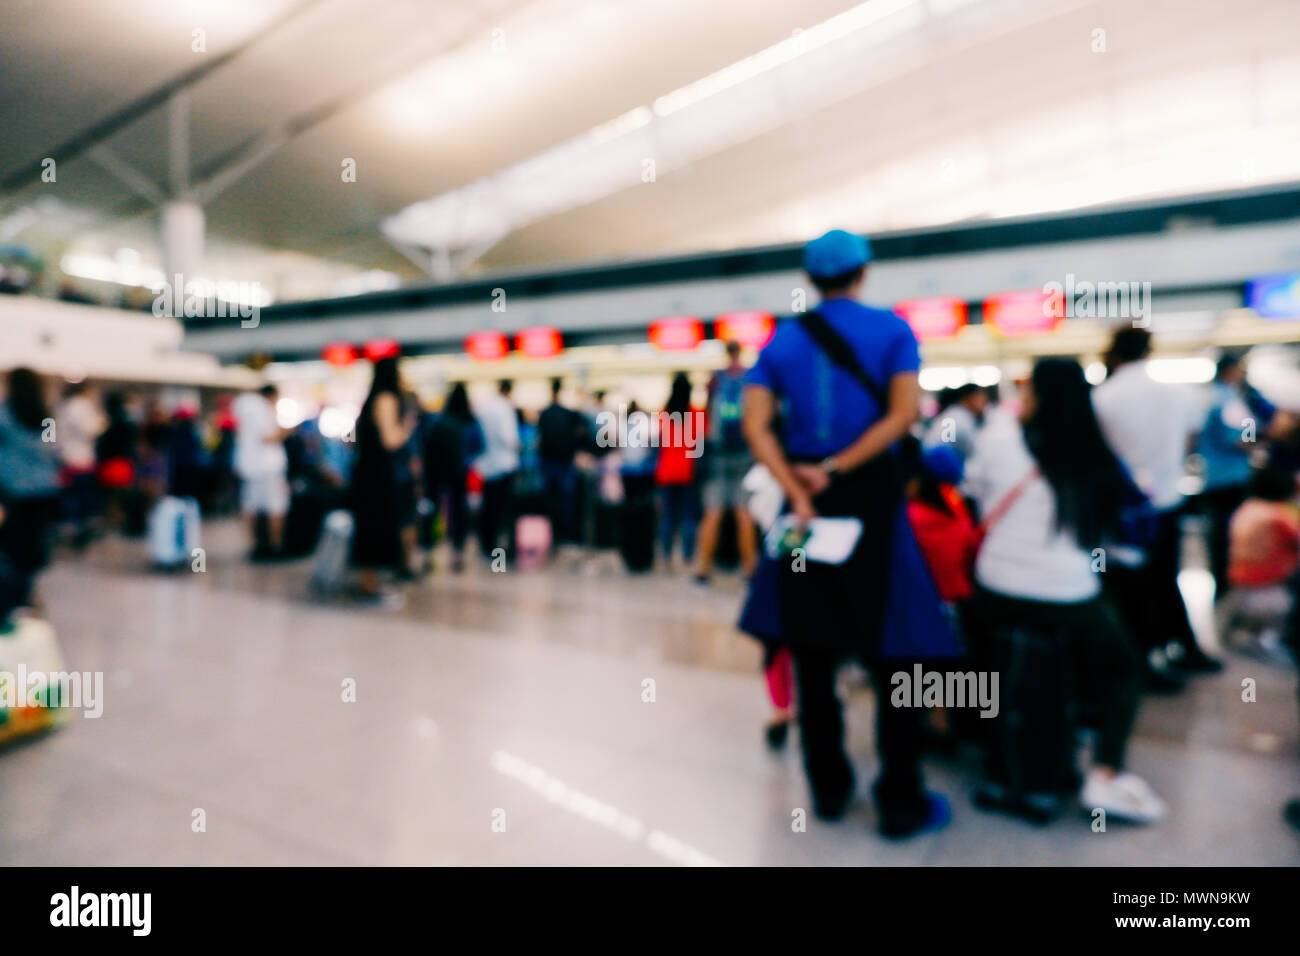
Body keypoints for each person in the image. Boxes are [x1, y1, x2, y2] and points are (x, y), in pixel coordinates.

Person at [742, 228, 949, 838]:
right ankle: (899, 799)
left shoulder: (781, 341)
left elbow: (755, 426)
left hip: (804, 507)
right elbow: (904, 414)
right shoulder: (893, 331)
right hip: (872, 503)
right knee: (898, 654)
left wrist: (799, 484)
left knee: (811, 650)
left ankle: (828, 791)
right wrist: (837, 468)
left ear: (811, 279)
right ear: (863, 271)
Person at [965, 358, 1165, 823]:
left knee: (999, 667)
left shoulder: (998, 439)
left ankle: (1001, 761)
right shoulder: (1095, 451)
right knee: (1123, 667)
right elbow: (1128, 529)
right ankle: (1105, 770)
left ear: (1034, 394)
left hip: (994, 590)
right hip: (1067, 595)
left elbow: (974, 495)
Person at [1093, 327, 1218, 684]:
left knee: (1131, 587)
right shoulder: (1177, 395)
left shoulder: (1104, 397)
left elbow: (1100, 455)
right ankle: (1182, 647)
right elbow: (1191, 441)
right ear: (1149, 350)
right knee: (1166, 579)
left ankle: (1143, 659)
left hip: (1125, 510)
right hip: (1167, 500)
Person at [1196, 352, 1274, 602]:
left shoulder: (1213, 397)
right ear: (1230, 370)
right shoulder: (1228, 400)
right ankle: (1230, 587)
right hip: (1229, 479)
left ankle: (1226, 585)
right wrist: (1267, 437)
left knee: (1221, 535)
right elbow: (1240, 439)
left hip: (1216, 478)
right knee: (1230, 537)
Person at [348, 357, 415, 602]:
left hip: (368, 474)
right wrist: (406, 426)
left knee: (371, 526)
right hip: (377, 476)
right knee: (376, 526)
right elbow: (390, 440)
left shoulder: (370, 401)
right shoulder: (387, 400)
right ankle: (369, 587)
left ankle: (370, 582)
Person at [695, 341, 758, 583]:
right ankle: (750, 569)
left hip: (718, 455)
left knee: (713, 512)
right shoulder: (750, 377)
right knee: (744, 512)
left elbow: (707, 416)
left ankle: (703, 569)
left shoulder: (716, 379)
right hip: (744, 454)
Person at [0, 368, 62, 606]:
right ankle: (27, 591)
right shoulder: (46, 416)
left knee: (11, 546)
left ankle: (14, 594)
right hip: (44, 489)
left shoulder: (5, 413)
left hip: (12, 489)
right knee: (33, 544)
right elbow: (52, 448)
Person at [421, 383, 484, 573]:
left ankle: (428, 551)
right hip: (459, 472)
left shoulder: (438, 420)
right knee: (459, 512)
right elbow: (480, 447)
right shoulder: (470, 421)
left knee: (433, 510)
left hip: (435, 472)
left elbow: (428, 445)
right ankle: (457, 552)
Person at [232, 384, 290, 560]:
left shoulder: (244, 409)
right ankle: (275, 546)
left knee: (251, 506)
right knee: (276, 506)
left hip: (249, 468)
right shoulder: (262, 410)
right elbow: (267, 437)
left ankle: (256, 545)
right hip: (268, 467)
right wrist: (286, 431)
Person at [655, 373, 702, 568]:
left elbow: (658, 443)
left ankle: (666, 555)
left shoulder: (665, 414)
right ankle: (687, 557)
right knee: (688, 517)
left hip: (666, 472)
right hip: (688, 472)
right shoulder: (695, 414)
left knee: (668, 516)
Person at [473, 379, 521, 560]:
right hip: (504, 465)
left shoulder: (484, 407)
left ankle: (486, 544)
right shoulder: (504, 408)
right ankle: (500, 548)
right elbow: (508, 437)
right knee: (502, 510)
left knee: (488, 507)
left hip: (487, 465)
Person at [537, 378, 587, 547]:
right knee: (567, 501)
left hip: (548, 463)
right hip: (565, 463)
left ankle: (552, 534)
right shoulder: (568, 413)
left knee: (550, 500)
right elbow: (582, 431)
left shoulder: (544, 414)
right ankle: (567, 535)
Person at [55, 381, 105, 547]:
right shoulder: (81, 407)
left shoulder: (64, 406)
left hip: (67, 457)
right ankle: (80, 532)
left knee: (72, 497)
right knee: (82, 498)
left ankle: (75, 528)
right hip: (80, 459)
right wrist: (102, 422)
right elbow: (91, 429)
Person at [921, 382, 987, 460]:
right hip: (938, 461)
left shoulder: (955, 412)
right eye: (980, 397)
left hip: (934, 458)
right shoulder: (961, 417)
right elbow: (976, 449)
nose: (984, 401)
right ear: (968, 398)